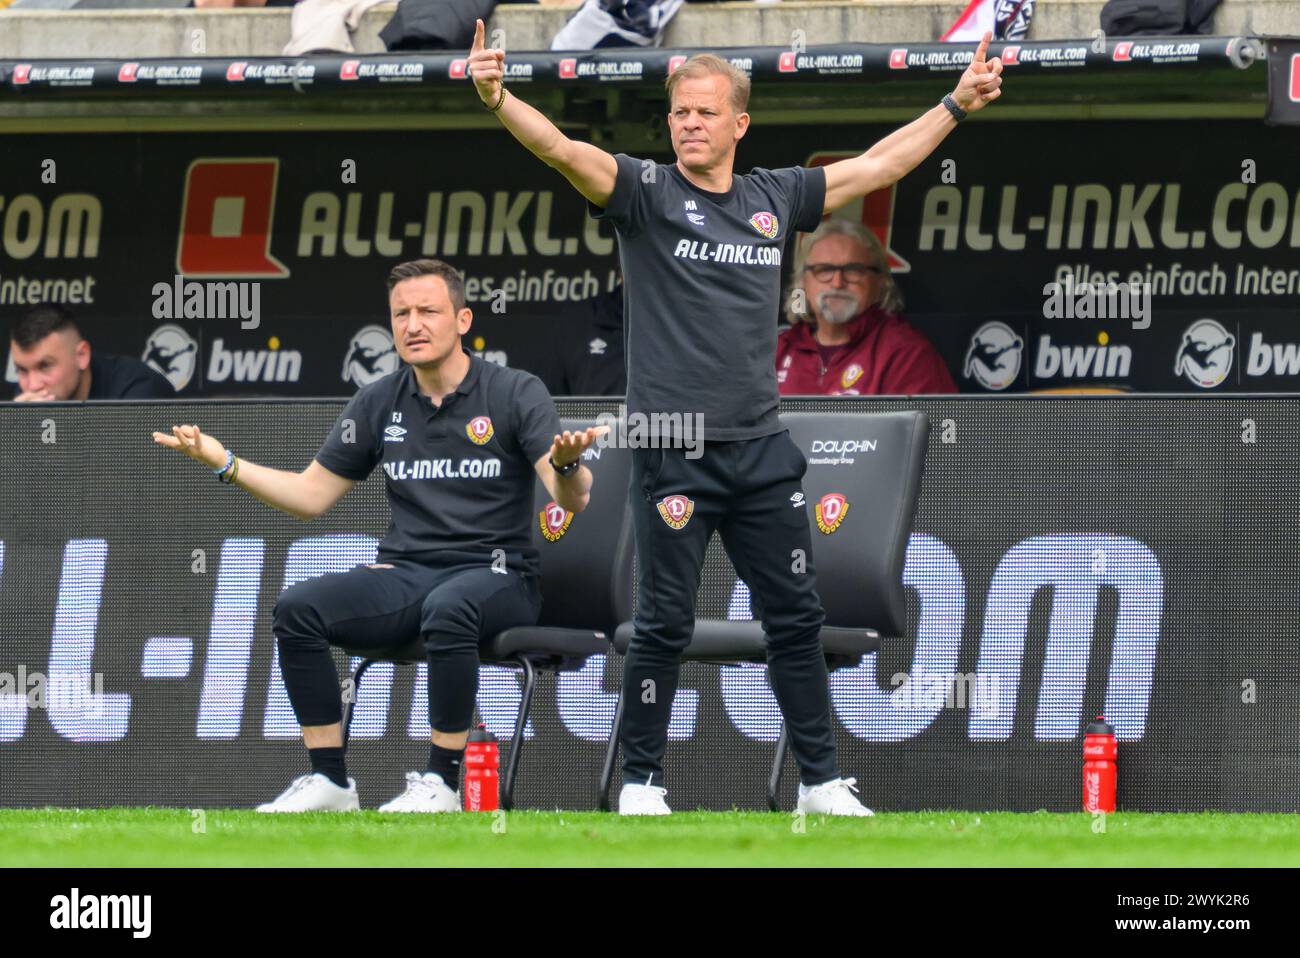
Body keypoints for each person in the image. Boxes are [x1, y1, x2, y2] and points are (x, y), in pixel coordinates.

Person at [468, 21, 1003, 815]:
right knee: (662, 622)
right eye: (680, 111)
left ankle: (820, 784)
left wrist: (954, 106)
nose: (688, 123)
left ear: (738, 124)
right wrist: (500, 97)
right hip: (669, 445)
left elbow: (880, 163)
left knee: (795, 618)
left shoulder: (774, 197)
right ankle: (643, 783)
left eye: (705, 112)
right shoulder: (645, 194)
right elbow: (563, 152)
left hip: (759, 448)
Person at [153, 258, 605, 813]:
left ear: (463, 320)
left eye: (428, 311)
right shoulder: (377, 401)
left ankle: (441, 781)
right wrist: (226, 462)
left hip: (500, 577)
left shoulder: (515, 392)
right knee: (298, 608)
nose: (413, 325)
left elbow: (573, 499)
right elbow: (310, 497)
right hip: (407, 575)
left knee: (449, 605)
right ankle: (331, 782)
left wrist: (564, 466)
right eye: (401, 314)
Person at [778, 219, 957, 395]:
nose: (837, 283)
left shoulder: (906, 353)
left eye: (853, 270)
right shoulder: (776, 351)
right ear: (802, 282)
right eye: (824, 270)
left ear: (879, 282)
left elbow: (936, 423)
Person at [9, 304, 174, 401]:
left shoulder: (136, 390)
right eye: (22, 370)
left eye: (45, 366)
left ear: (81, 356)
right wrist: (17, 428)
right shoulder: (26, 396)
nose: (33, 385)